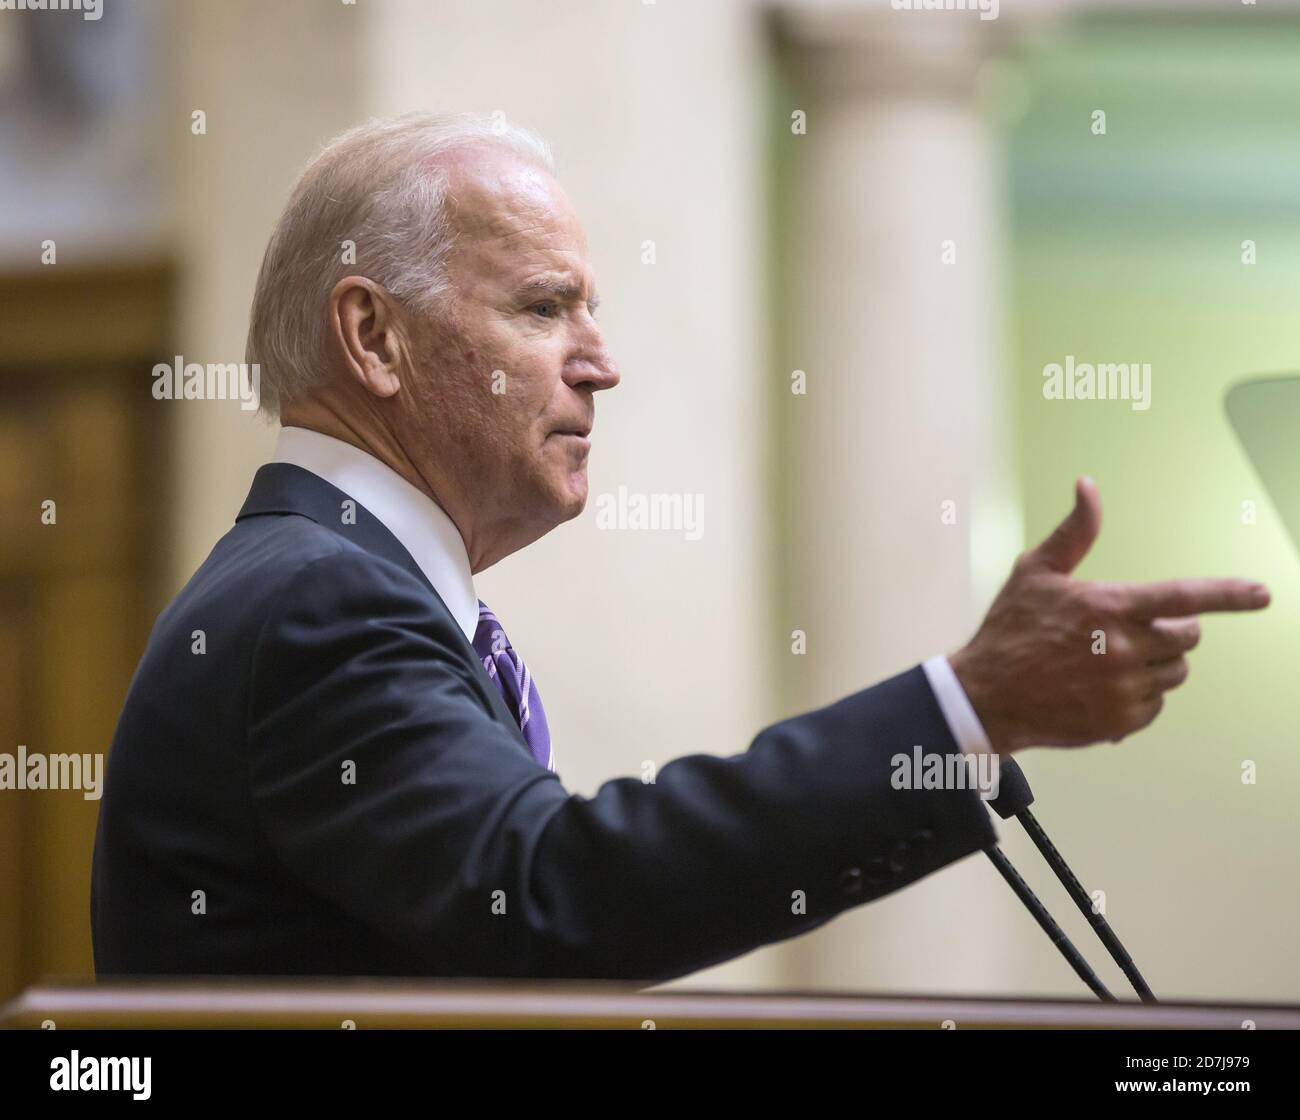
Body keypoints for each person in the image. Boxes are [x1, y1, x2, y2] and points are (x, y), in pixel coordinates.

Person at [90, 113, 1270, 982]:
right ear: (372, 337)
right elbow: (552, 895)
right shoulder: (319, 603)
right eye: (545, 308)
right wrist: (963, 709)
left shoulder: (326, 582)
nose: (601, 363)